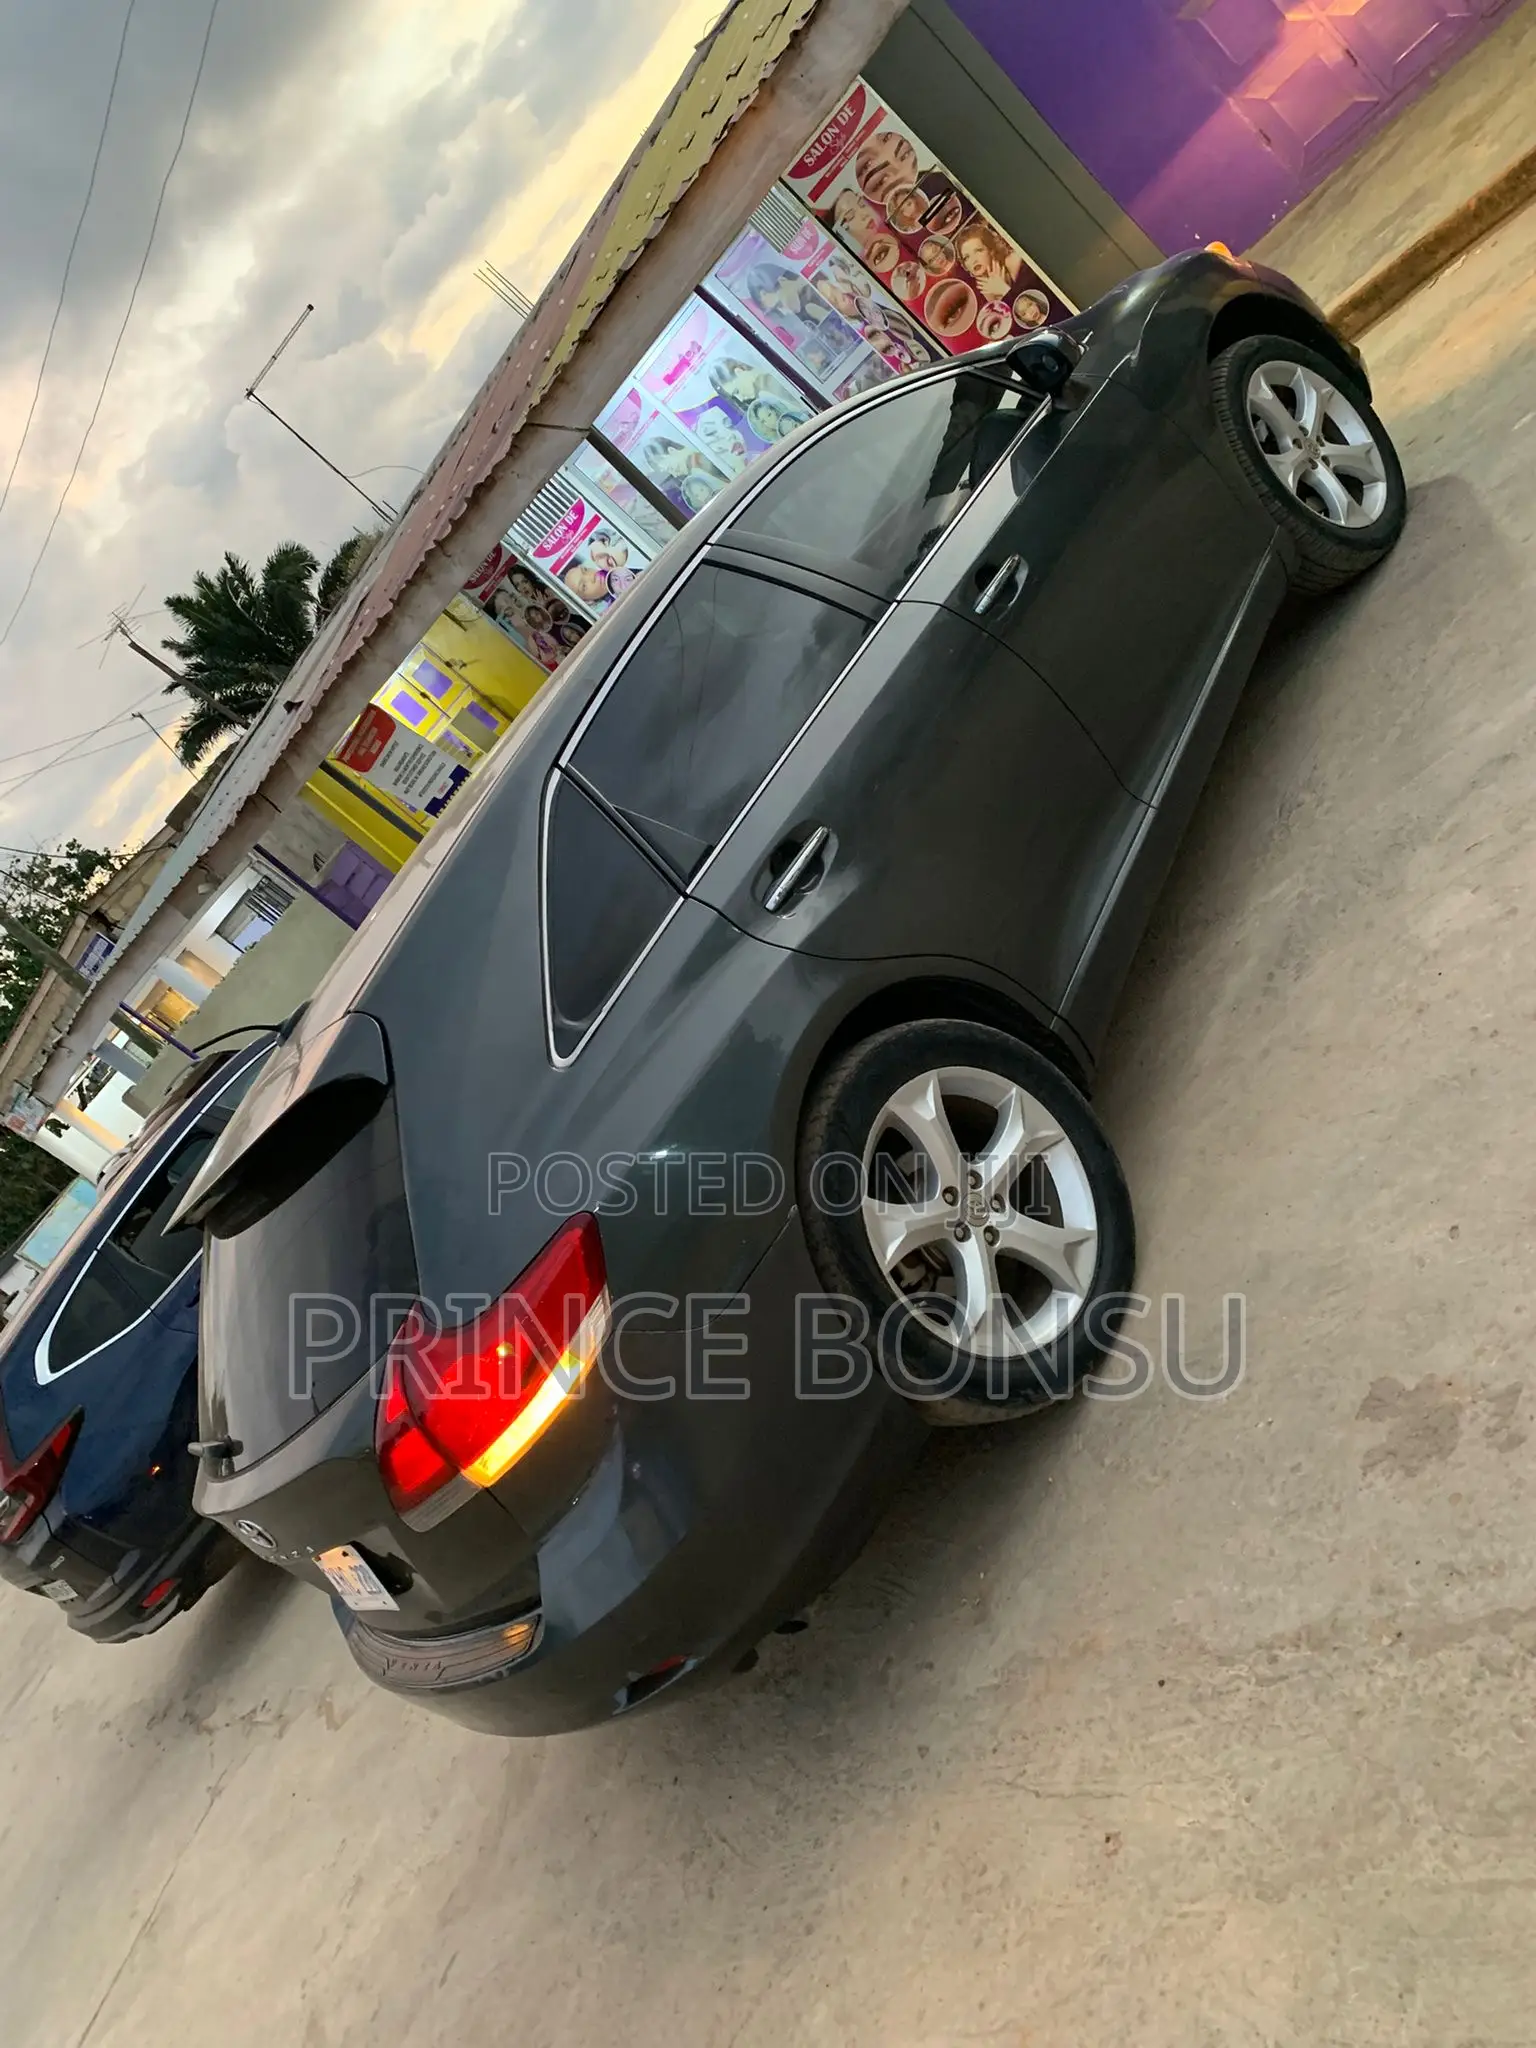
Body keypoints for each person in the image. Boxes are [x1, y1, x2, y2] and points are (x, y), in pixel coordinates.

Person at [956, 219, 1023, 304]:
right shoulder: (981, 290)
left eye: (978, 251)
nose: (973, 260)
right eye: (966, 257)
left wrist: (1003, 290)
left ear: (991, 250)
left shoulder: (1014, 261)